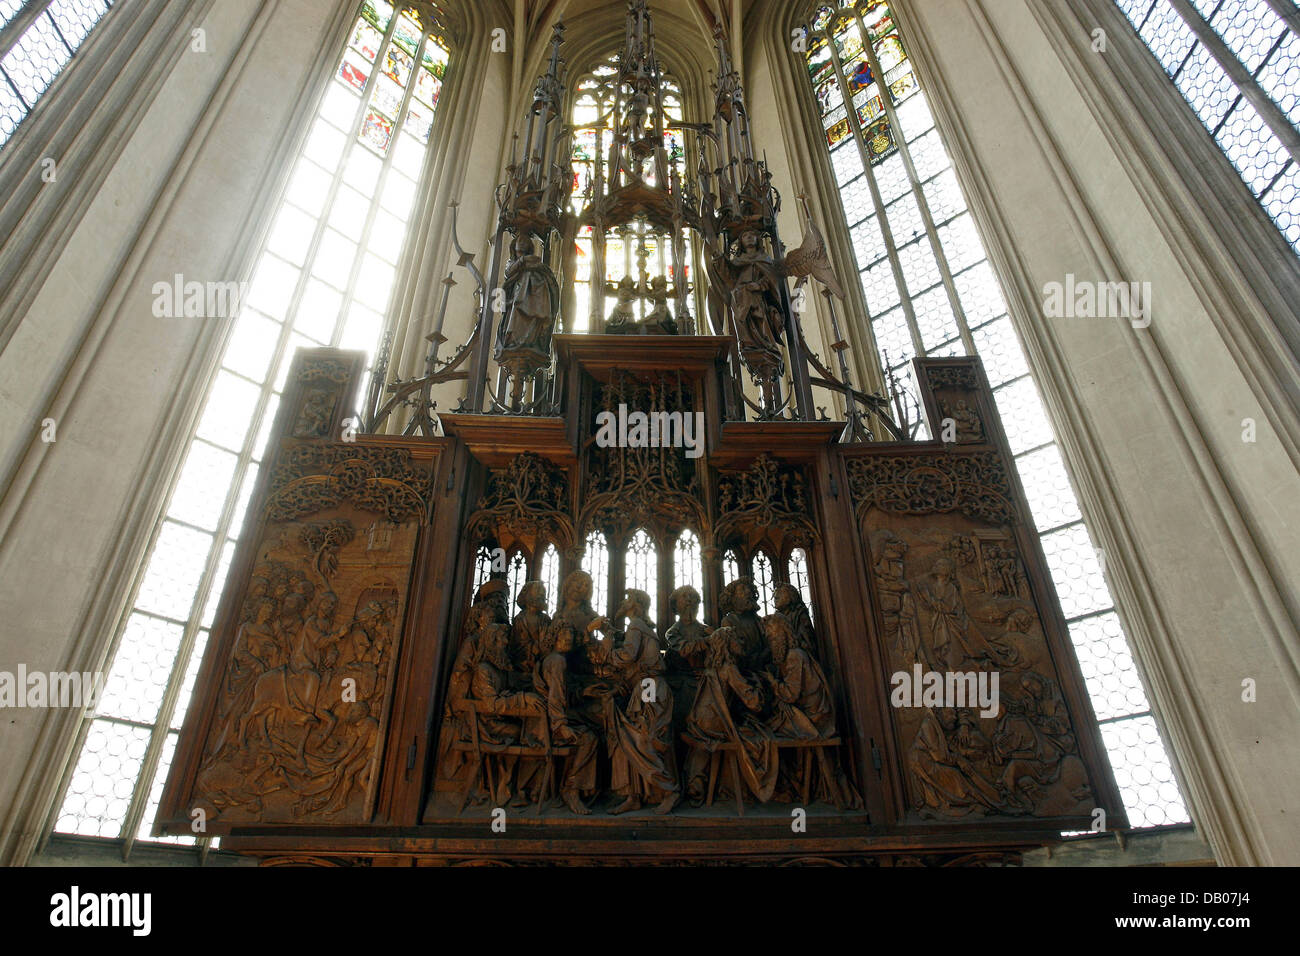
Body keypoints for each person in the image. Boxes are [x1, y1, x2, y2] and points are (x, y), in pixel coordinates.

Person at [592, 589, 679, 815]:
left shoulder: (636, 625)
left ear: (636, 605)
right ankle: (634, 795)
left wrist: (607, 652)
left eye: (628, 598)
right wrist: (611, 634)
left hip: (650, 687)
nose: (623, 601)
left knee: (645, 739)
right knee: (629, 741)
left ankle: (670, 790)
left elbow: (628, 655)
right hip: (644, 687)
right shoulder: (638, 627)